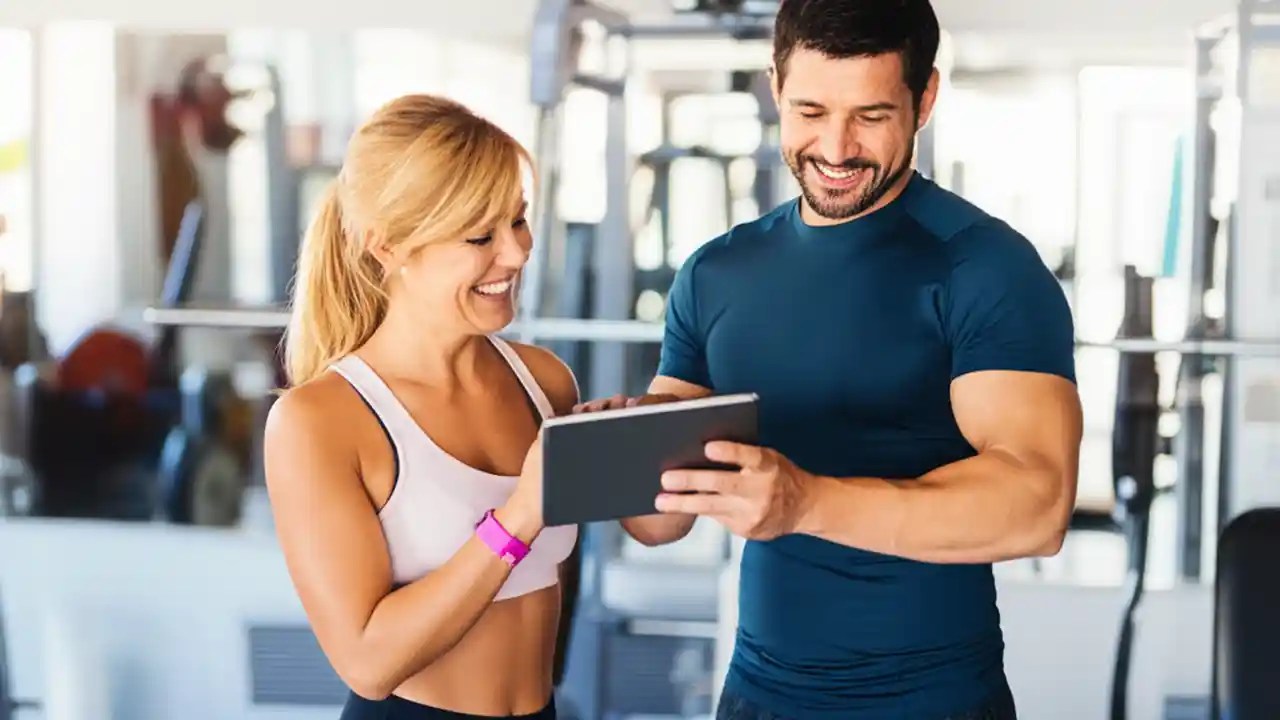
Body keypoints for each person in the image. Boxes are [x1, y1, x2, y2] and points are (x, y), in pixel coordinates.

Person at [579, 0, 1083, 718]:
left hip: (929, 700)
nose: (837, 148)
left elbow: (1037, 507)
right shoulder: (718, 271)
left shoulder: (986, 268)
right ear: (775, 87)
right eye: (810, 110)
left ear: (925, 98)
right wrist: (617, 447)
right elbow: (661, 524)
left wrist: (806, 502)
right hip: (758, 693)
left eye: (871, 115)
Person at [262, 94, 582, 720]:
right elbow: (368, 663)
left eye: (517, 221)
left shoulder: (545, 382)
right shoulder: (319, 421)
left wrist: (639, 448)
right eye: (479, 235)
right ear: (388, 248)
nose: (516, 254)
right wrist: (518, 517)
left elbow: (556, 592)